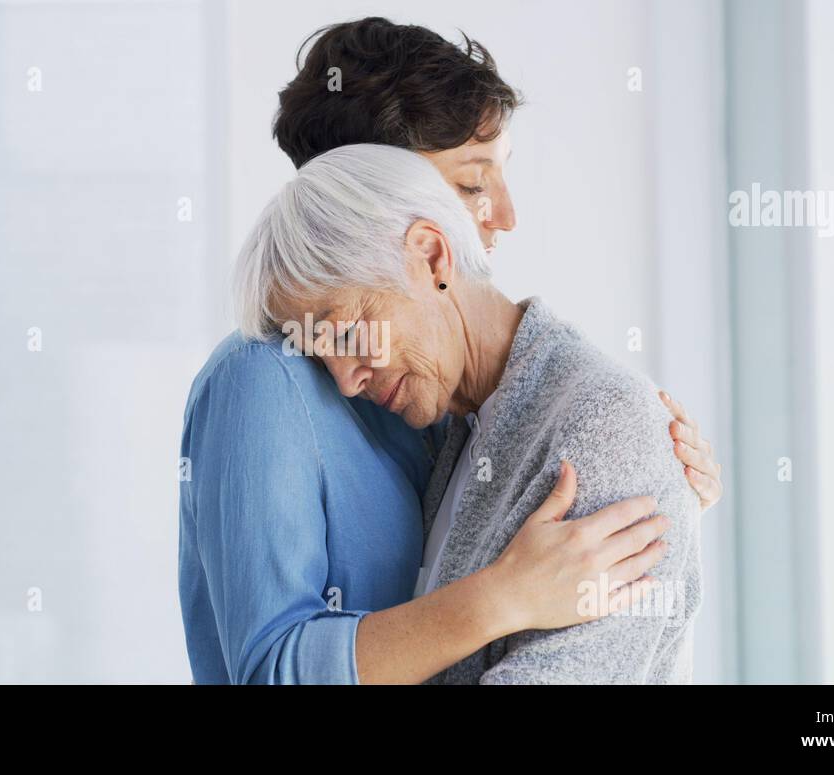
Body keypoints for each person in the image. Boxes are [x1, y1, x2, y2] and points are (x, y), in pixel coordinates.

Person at [179, 18, 720, 684]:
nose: (504, 215)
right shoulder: (266, 381)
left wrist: (664, 483)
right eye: (469, 185)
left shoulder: (459, 412)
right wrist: (498, 597)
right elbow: (269, 669)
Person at [237, 143, 703, 683]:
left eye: (345, 331)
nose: (346, 380)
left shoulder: (607, 427)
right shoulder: (450, 432)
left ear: (432, 257)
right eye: (323, 355)